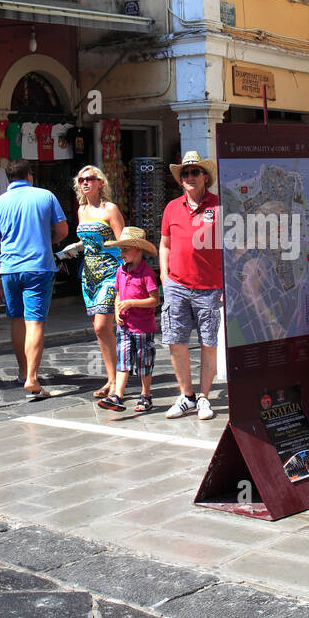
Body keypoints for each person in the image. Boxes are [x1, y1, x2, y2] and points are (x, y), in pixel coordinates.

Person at [0, 157, 68, 399]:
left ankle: (23, 372)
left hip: (9, 269)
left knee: (17, 320)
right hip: (38, 267)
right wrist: (47, 239)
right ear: (29, 175)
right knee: (35, 322)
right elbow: (62, 230)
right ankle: (32, 378)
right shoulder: (45, 196)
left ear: (8, 178)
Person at [161, 150, 223, 421]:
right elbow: (164, 244)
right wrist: (164, 275)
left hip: (209, 287)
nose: (189, 177)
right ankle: (186, 396)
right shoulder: (172, 207)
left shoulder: (219, 206)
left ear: (205, 177)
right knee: (176, 341)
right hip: (176, 284)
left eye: (195, 172)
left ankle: (204, 397)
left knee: (208, 343)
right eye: (185, 173)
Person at [68, 165, 125, 399]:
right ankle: (112, 379)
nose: (85, 182)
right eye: (81, 179)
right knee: (99, 330)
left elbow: (123, 244)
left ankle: (117, 380)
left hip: (111, 272)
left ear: (101, 182)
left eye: (90, 178)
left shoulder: (110, 209)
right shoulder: (81, 210)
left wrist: (125, 280)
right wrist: (76, 247)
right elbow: (89, 242)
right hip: (89, 275)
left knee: (103, 326)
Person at [98, 228, 160, 413]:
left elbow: (155, 300)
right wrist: (117, 310)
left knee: (144, 362)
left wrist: (132, 303)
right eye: (121, 250)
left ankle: (146, 395)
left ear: (138, 250)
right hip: (125, 326)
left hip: (143, 328)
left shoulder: (147, 274)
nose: (122, 254)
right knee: (123, 361)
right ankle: (118, 395)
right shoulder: (120, 271)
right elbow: (118, 294)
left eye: (125, 249)